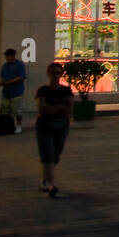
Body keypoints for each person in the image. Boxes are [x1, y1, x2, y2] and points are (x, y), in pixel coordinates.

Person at [35, 61, 73, 197]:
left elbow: (69, 108)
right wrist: (60, 108)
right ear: (48, 74)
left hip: (61, 125)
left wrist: (53, 109)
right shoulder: (43, 90)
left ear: (61, 74)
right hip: (45, 125)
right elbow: (42, 107)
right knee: (48, 153)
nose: (55, 76)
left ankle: (45, 181)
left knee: (55, 154)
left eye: (57, 73)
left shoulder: (66, 90)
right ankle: (51, 184)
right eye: (52, 73)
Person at [0, 48, 27, 133]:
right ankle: (7, 125)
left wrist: (8, 82)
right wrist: (1, 82)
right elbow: (2, 76)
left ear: (12, 56)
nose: (6, 57)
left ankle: (19, 125)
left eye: (8, 56)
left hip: (17, 91)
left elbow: (21, 77)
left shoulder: (19, 65)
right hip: (6, 92)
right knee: (5, 109)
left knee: (17, 109)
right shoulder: (5, 65)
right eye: (6, 56)